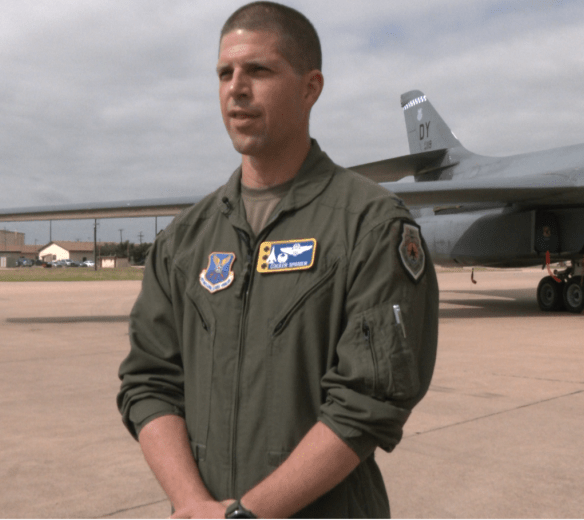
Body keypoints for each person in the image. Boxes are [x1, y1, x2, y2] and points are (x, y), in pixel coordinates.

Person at [116, 2, 439, 518]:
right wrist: (193, 504)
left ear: (310, 88)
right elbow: (149, 381)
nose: (236, 88)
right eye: (224, 73)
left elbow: (370, 399)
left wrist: (247, 513)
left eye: (259, 70)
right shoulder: (184, 240)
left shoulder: (371, 226)